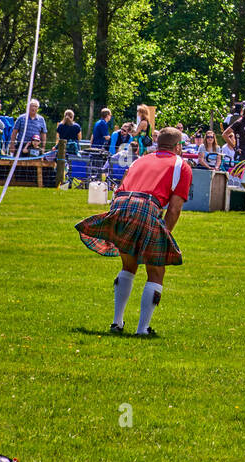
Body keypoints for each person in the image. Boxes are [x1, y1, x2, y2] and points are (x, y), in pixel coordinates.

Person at [75, 126, 192, 338]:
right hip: (146, 206)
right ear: (178, 147)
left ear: (158, 143)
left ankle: (117, 322)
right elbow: (174, 209)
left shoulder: (140, 159)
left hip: (120, 204)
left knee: (128, 265)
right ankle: (142, 329)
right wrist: (163, 234)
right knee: (156, 271)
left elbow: (121, 187)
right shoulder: (181, 165)